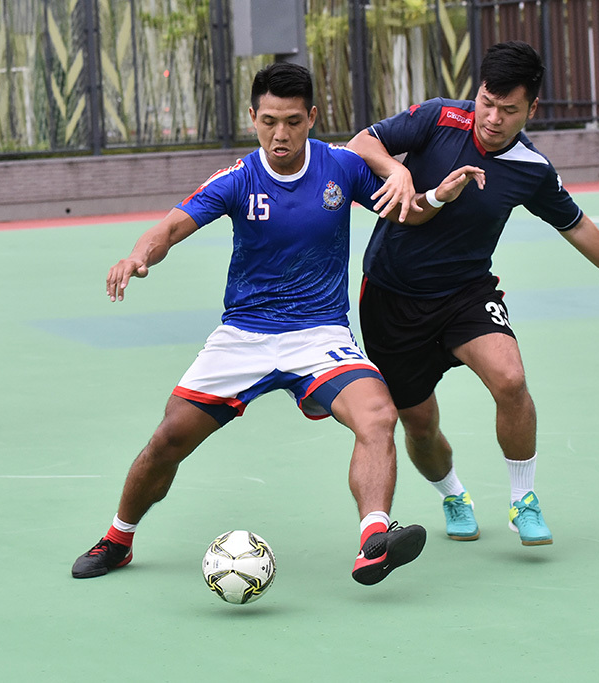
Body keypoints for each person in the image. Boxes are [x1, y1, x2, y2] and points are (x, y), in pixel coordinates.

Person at [70, 63, 479, 585]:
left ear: (312, 117)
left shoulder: (342, 166)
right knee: (169, 438)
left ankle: (374, 540)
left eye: (291, 121)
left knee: (378, 415)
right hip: (244, 334)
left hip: (319, 334)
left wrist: (438, 196)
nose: (279, 134)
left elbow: (407, 211)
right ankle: (118, 538)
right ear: (252, 118)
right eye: (268, 121)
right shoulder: (239, 178)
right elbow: (170, 228)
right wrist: (136, 255)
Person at [346, 40, 599, 546]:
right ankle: (453, 494)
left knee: (510, 379)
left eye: (508, 110)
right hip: (391, 298)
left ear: (532, 109)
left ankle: (523, 499)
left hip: (465, 292)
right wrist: (398, 169)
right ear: (477, 92)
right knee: (420, 425)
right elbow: (361, 143)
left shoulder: (531, 168)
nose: (493, 118)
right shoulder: (437, 118)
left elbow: (575, 224)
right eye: (487, 102)